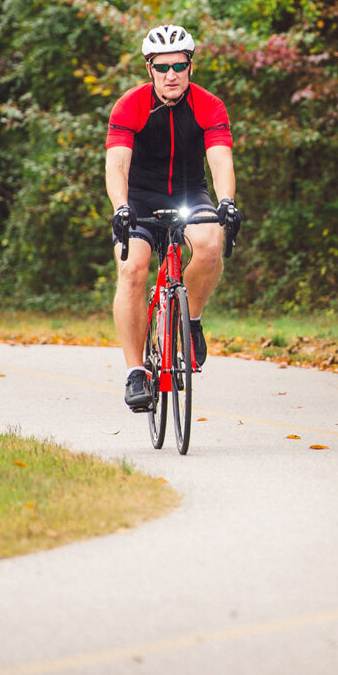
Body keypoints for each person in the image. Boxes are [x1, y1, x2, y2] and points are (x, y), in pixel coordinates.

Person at [106, 24, 242, 411]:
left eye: (179, 65)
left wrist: (227, 201)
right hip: (139, 198)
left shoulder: (209, 105)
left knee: (210, 245)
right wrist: (120, 206)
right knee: (132, 268)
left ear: (190, 67)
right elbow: (116, 163)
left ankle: (191, 319)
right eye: (162, 66)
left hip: (189, 192)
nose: (171, 75)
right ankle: (136, 372)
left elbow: (220, 159)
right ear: (149, 69)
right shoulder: (130, 105)